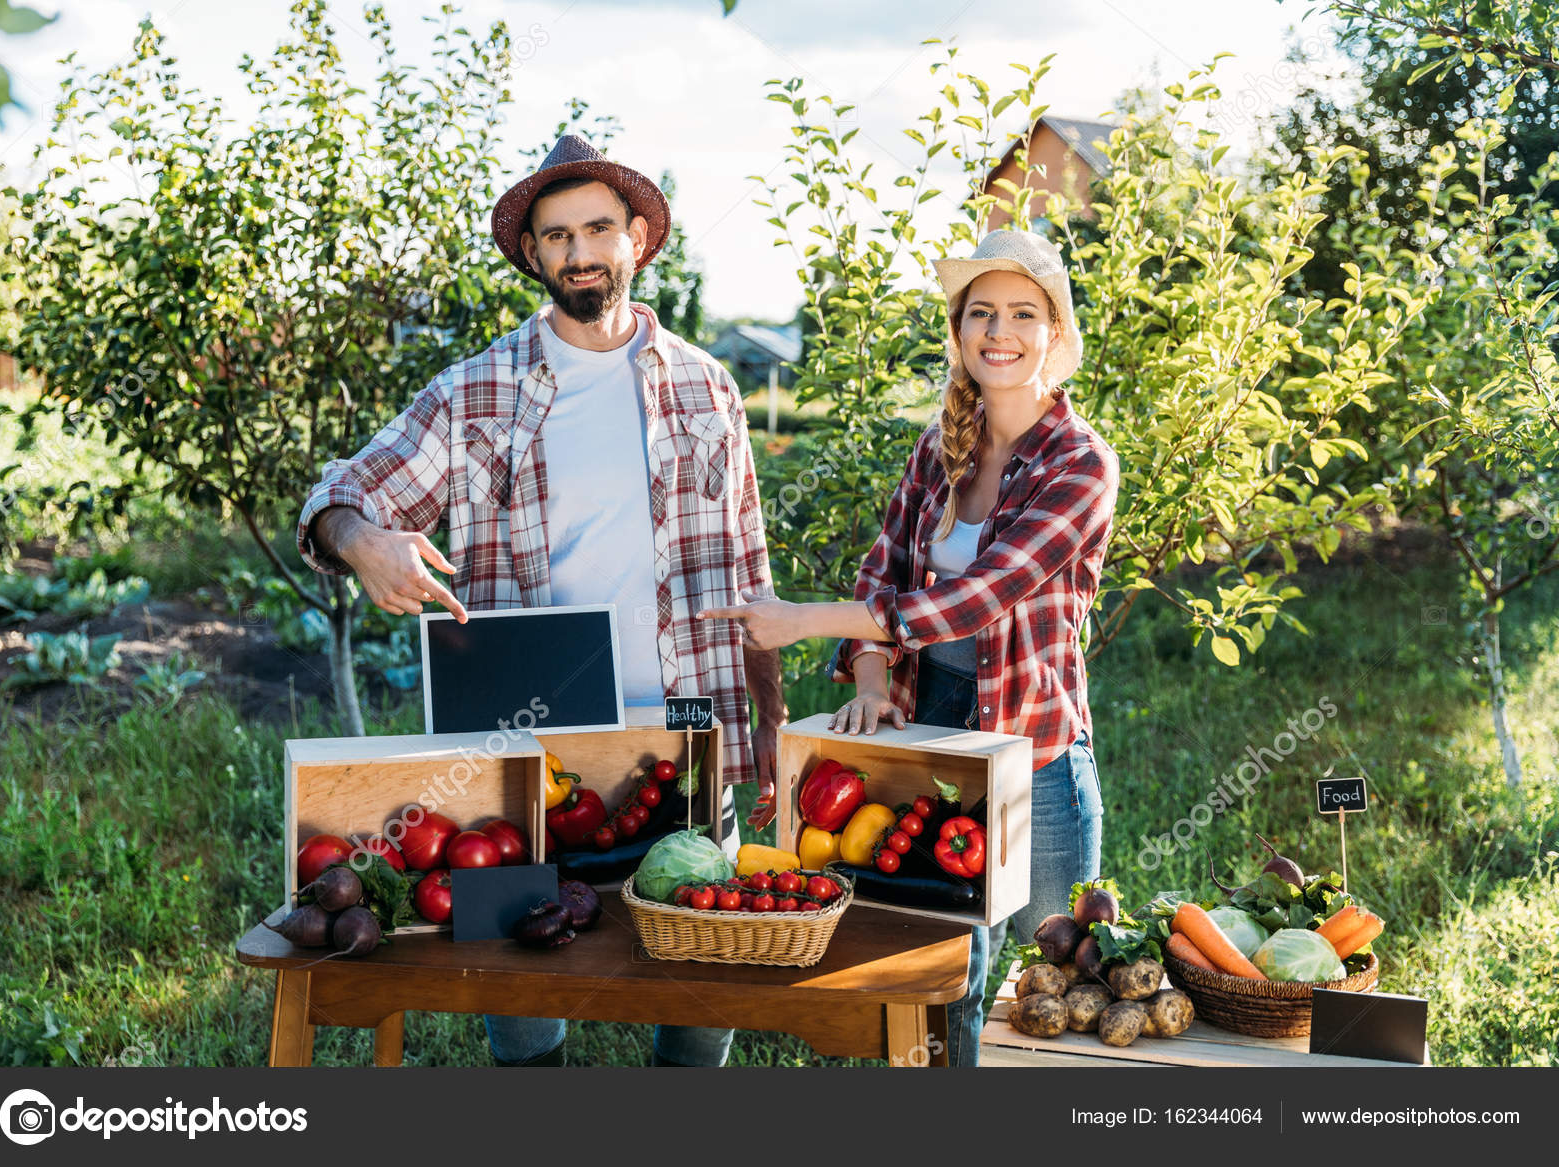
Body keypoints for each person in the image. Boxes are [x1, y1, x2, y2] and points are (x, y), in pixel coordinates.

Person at [297, 134, 786, 1067]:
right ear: (532, 254)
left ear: (638, 238)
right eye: (556, 235)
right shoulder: (472, 391)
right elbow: (338, 495)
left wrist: (766, 715)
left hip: (685, 731)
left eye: (599, 227)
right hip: (527, 739)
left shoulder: (706, 387)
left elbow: (746, 562)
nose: (579, 251)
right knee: (519, 985)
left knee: (698, 978)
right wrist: (365, 542)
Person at [698, 228, 1118, 1067]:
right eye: (982, 313)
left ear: (1055, 334)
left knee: (1052, 984)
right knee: (944, 978)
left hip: (1033, 755)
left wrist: (803, 620)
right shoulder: (940, 452)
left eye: (1023, 313)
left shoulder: (1081, 463)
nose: (1000, 331)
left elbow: (975, 597)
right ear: (961, 332)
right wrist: (871, 671)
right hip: (928, 743)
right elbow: (880, 570)